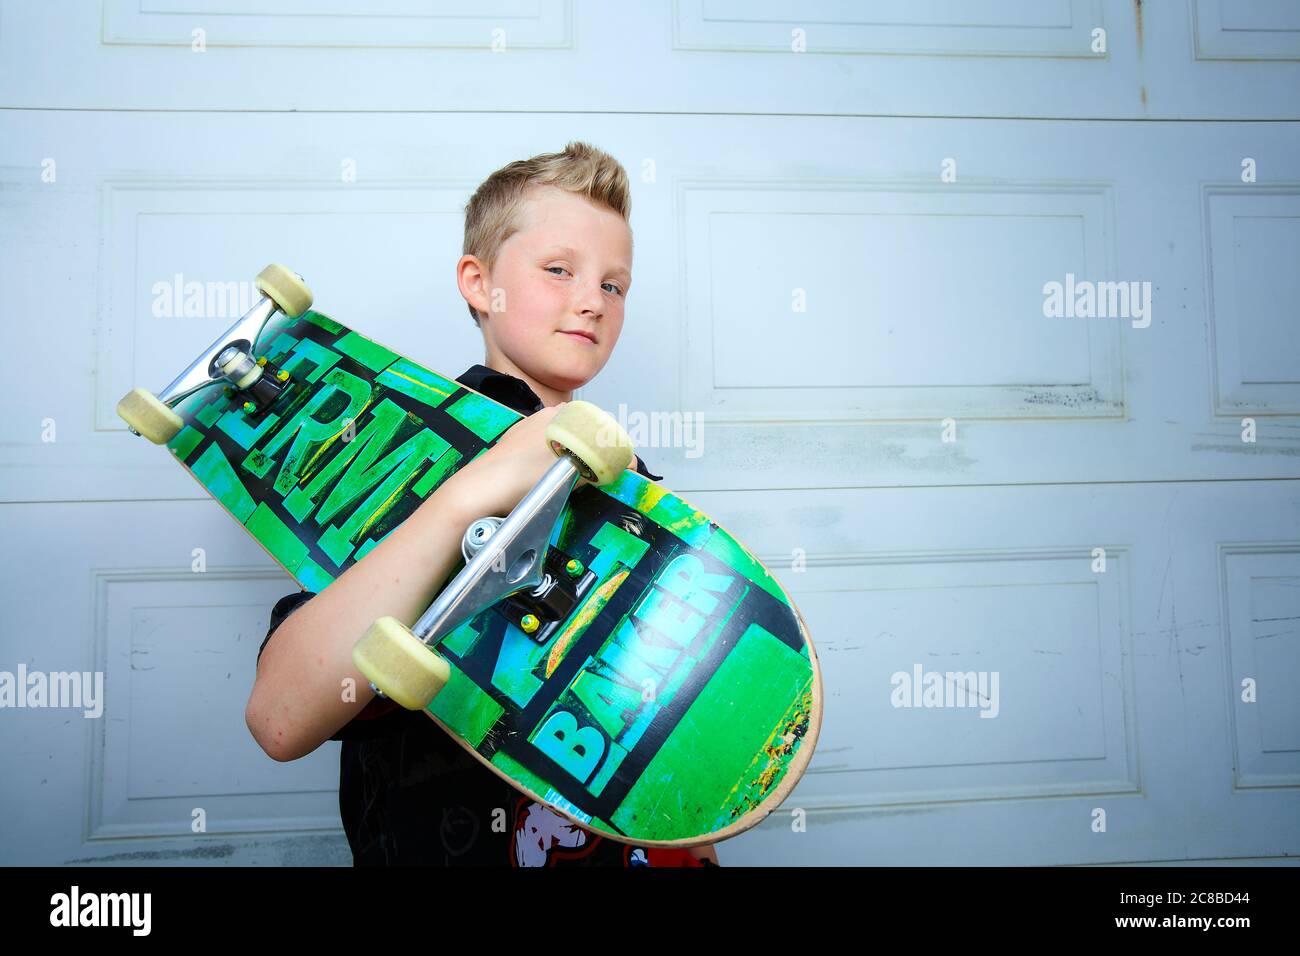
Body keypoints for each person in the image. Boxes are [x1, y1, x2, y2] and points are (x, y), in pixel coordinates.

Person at [246, 141, 719, 867]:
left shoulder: (634, 486)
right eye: (558, 270)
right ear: (478, 282)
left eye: (614, 285)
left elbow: (662, 714)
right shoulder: (402, 450)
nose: (592, 299)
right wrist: (477, 486)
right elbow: (280, 720)